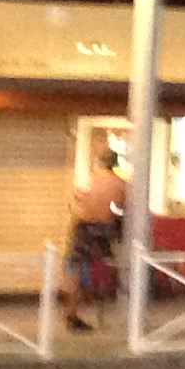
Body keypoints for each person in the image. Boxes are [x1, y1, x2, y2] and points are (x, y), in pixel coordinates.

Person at [64, 139, 127, 333]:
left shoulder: (92, 180)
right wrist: (119, 233)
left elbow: (80, 201)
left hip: (81, 227)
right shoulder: (119, 184)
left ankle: (73, 311)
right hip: (102, 229)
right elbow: (119, 210)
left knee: (79, 269)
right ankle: (108, 300)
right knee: (110, 266)